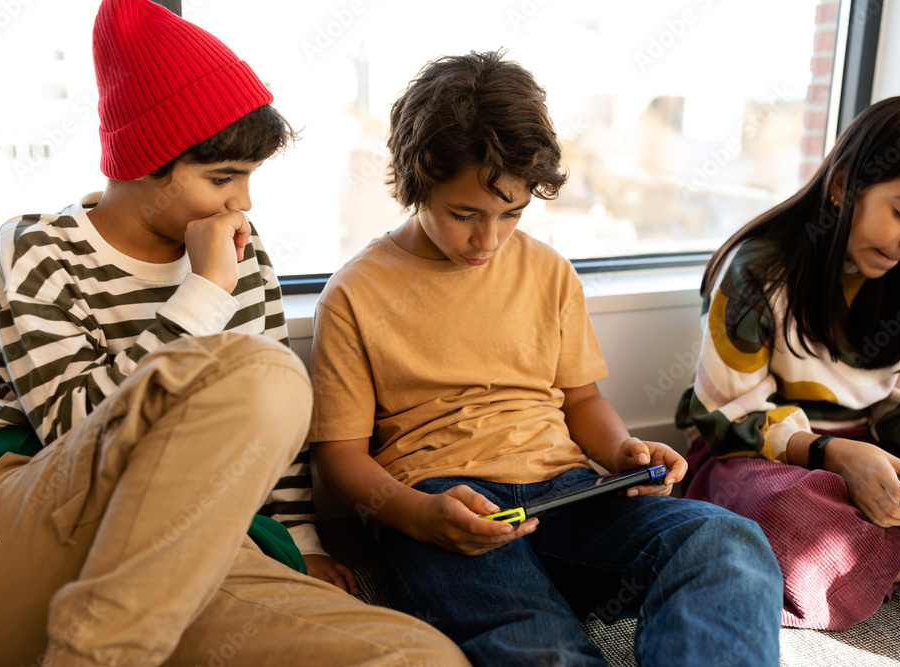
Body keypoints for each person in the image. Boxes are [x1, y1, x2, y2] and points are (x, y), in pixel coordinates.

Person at [0, 1, 469, 665]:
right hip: (20, 539)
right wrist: (202, 292)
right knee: (264, 371)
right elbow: (75, 428)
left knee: (419, 656)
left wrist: (302, 543)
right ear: (147, 162)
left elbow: (270, 436)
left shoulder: (243, 250)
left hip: (186, 546)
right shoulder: (33, 247)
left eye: (250, 177)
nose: (244, 202)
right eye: (224, 177)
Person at [308, 49, 784, 667]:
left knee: (727, 541)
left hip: (570, 495)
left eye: (512, 214)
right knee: (535, 646)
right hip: (447, 510)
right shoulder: (355, 293)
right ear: (416, 180)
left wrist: (622, 453)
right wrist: (422, 517)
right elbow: (339, 457)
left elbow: (581, 399)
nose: (489, 240)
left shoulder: (548, 271)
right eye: (464, 215)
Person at [676, 94, 900, 631]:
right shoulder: (759, 270)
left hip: (869, 450)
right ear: (841, 184)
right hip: (752, 452)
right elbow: (725, 416)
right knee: (799, 522)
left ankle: (894, 543)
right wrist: (832, 453)